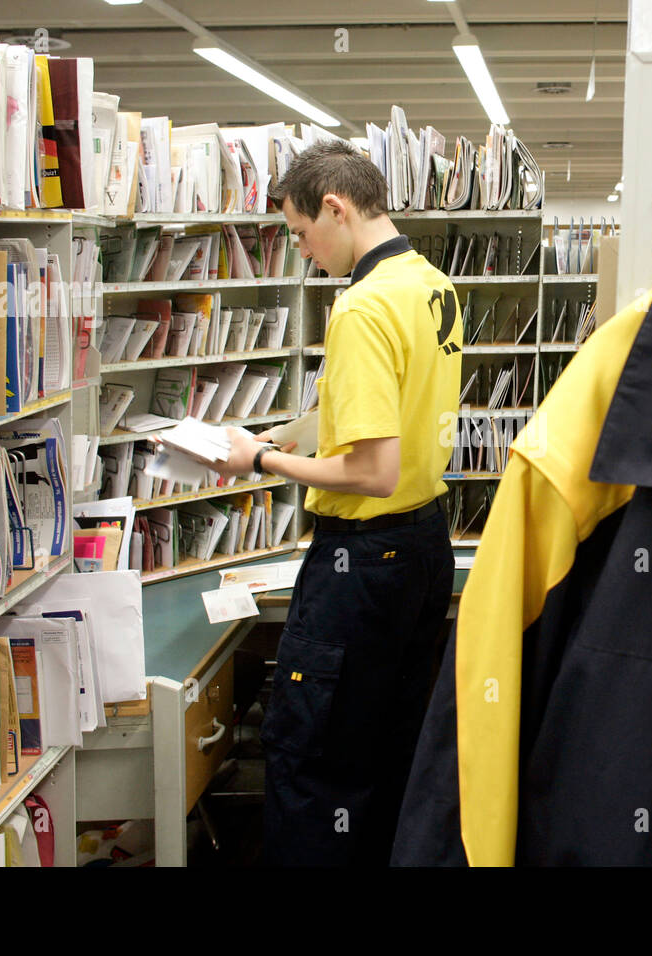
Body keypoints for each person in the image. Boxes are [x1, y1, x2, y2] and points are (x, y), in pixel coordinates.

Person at [211, 140, 461, 866]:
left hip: (364, 561)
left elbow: (373, 469)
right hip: (422, 550)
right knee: (388, 747)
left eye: (298, 231)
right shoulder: (430, 284)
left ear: (335, 207)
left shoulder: (359, 307)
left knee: (315, 754)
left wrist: (258, 459)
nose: (300, 248)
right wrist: (278, 431)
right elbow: (380, 414)